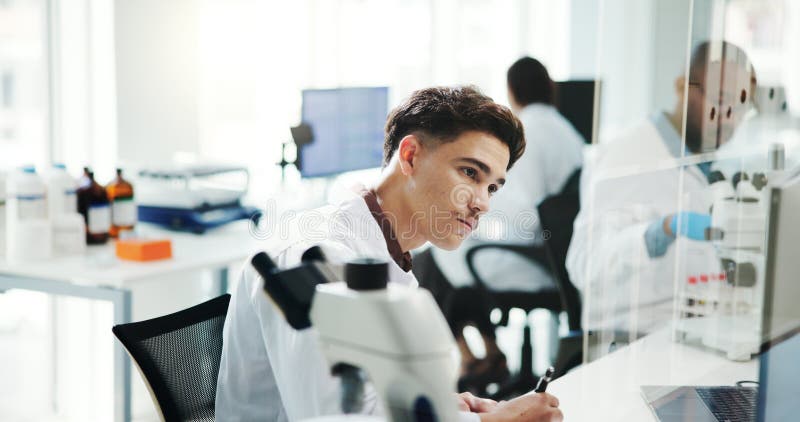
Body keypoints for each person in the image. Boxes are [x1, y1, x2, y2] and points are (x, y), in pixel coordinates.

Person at [216, 86, 563, 422]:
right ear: (410, 156)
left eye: (491, 187)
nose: (482, 203)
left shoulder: (390, 255)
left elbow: (372, 399)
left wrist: (444, 409)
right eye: (469, 173)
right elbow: (336, 418)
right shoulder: (317, 258)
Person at [566, 41, 757, 334]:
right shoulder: (627, 156)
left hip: (695, 329)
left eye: (741, 107)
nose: (730, 118)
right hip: (632, 338)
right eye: (721, 100)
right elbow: (584, 265)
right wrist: (659, 232)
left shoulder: (711, 164)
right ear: (682, 87)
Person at [416, 57, 585, 389]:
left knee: (433, 258)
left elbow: (522, 215)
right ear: (550, 88)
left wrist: (476, 217)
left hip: (536, 259)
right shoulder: (568, 132)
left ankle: (473, 358)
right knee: (451, 257)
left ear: (512, 93)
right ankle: (486, 353)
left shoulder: (527, 133)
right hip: (557, 260)